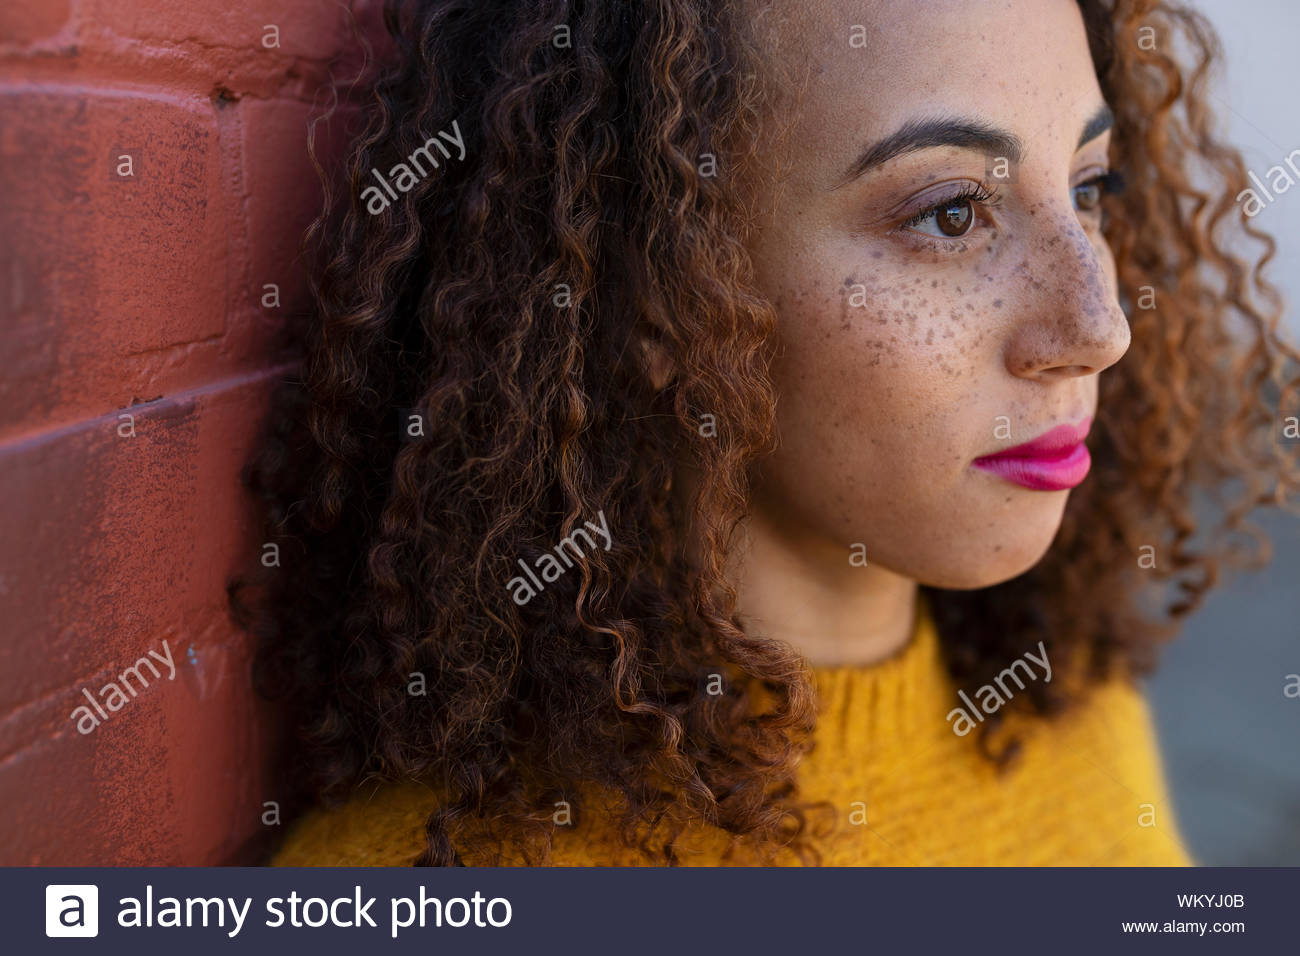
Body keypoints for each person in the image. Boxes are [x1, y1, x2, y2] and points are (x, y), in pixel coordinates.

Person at [230, 0, 1300, 866]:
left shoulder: (1070, 707)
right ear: (658, 286)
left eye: (1087, 186)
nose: (1098, 328)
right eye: (949, 214)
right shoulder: (439, 879)